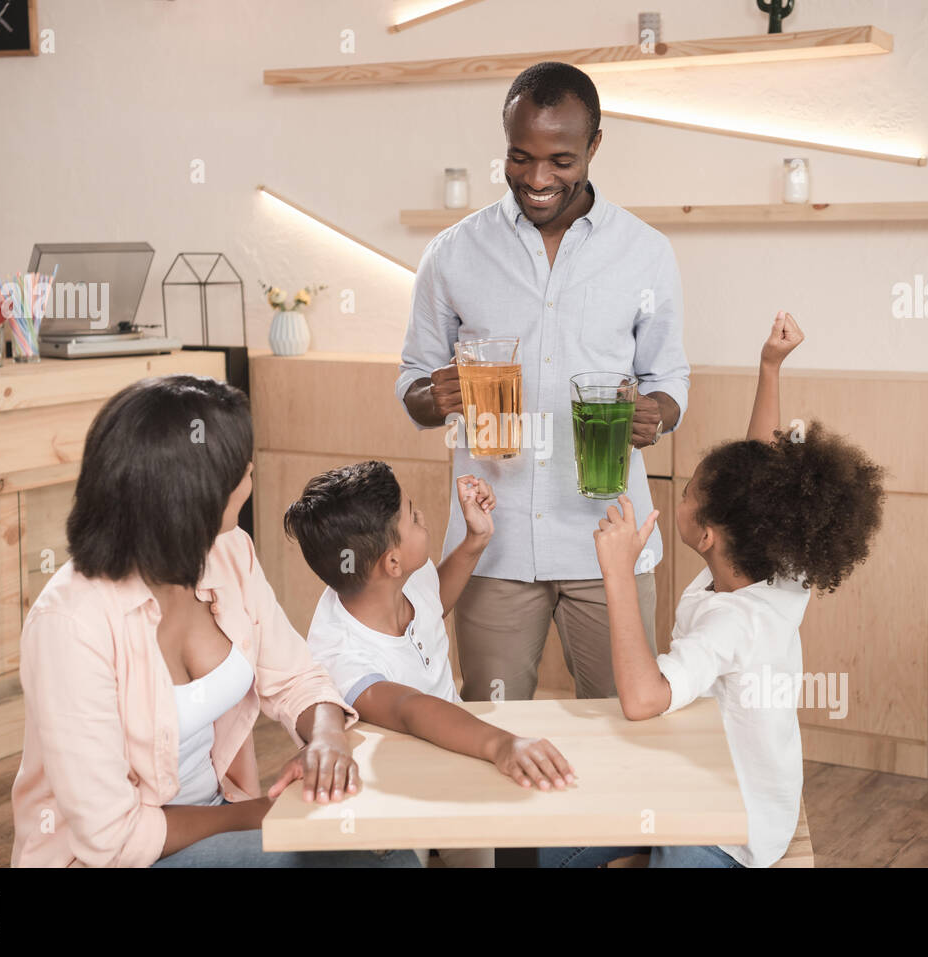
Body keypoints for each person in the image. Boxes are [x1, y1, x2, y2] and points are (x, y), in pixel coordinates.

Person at [10, 374, 418, 867]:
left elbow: (296, 677)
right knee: (345, 862)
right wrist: (262, 815)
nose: (251, 472)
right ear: (193, 496)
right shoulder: (70, 624)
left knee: (387, 845)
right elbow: (111, 837)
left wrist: (328, 739)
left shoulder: (228, 553)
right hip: (122, 855)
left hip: (218, 812)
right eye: (239, 469)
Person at [541, 313, 886, 867]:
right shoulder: (776, 573)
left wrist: (618, 572)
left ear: (706, 535)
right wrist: (769, 368)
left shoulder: (731, 625)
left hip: (729, 829)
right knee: (553, 846)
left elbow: (643, 698)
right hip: (697, 782)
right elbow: (761, 476)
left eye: (688, 493)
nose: (679, 493)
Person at [396, 61, 690, 702]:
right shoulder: (454, 253)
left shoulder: (645, 252)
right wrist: (432, 397)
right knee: (493, 728)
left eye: (560, 159)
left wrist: (657, 413)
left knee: (624, 724)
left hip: (608, 540)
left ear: (594, 146)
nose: (537, 178)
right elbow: (413, 384)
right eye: (519, 157)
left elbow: (668, 379)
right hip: (493, 549)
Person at [284, 461, 577, 867]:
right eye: (413, 515)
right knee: (400, 854)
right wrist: (502, 743)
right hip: (395, 787)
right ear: (391, 563)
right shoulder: (339, 653)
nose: (424, 519)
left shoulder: (402, 576)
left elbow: (432, 601)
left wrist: (476, 539)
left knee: (491, 845)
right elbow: (410, 710)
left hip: (454, 752)